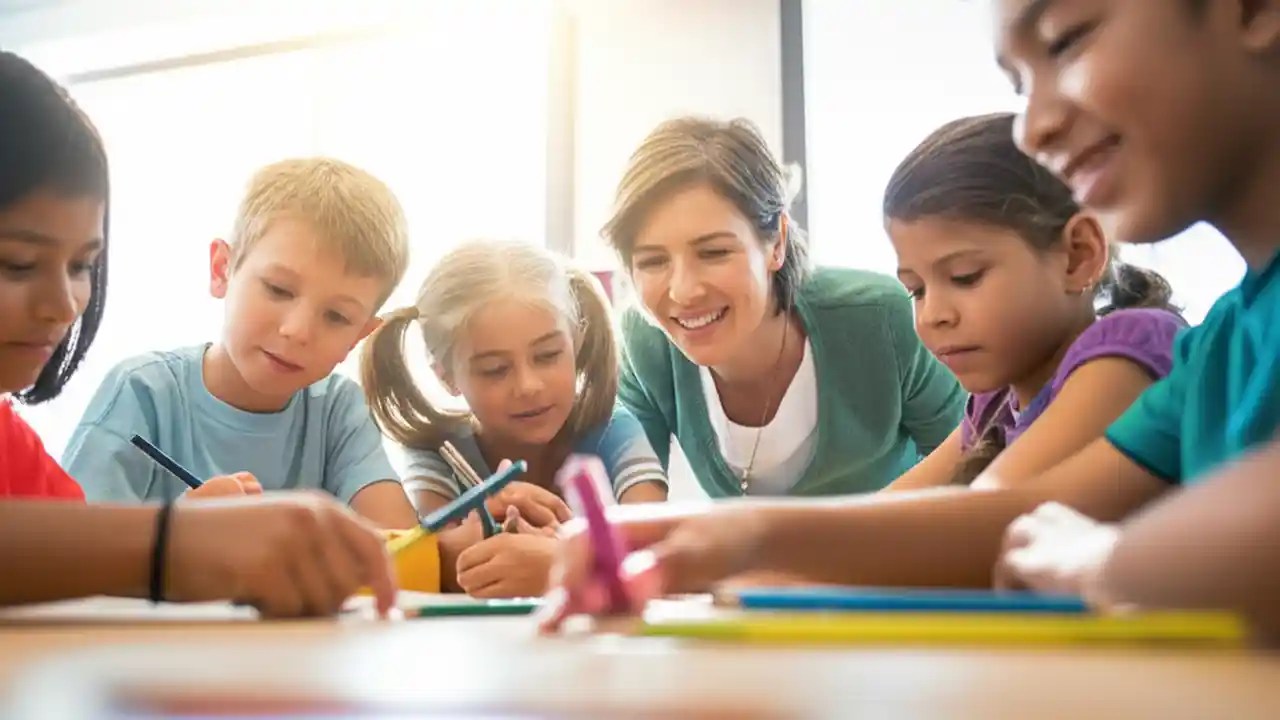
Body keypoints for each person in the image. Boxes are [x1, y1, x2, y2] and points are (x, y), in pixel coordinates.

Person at [0, 50, 395, 618]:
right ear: (221, 269)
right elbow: (80, 556)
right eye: (16, 264)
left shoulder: (11, 445)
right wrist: (173, 544)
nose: (64, 304)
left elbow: (64, 562)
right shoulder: (144, 388)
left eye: (83, 265)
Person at [607, 116, 965, 498]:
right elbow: (634, 508)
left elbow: (975, 459)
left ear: (776, 241)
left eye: (714, 252)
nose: (683, 291)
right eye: (652, 261)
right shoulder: (645, 340)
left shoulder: (881, 319)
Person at [62, 156, 419, 528]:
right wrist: (177, 537)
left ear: (358, 336)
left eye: (337, 317)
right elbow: (68, 551)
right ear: (222, 270)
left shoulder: (338, 411)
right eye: (278, 289)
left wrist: (450, 555)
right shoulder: (142, 392)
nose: (297, 331)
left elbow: (397, 542)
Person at [882, 112, 1183, 491]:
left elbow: (983, 515)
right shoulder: (994, 404)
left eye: (965, 276)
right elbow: (887, 511)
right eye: (917, 290)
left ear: (1078, 255)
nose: (933, 316)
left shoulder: (1126, 354)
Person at [362, 239, 668, 597]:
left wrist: (560, 563)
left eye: (548, 355)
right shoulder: (437, 452)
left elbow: (657, 548)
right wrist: (471, 532)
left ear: (577, 340)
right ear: (446, 375)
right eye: (495, 370)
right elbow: (433, 567)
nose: (528, 386)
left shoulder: (615, 431)